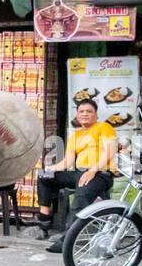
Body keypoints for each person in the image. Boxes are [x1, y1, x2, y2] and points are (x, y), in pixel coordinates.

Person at [32, 98, 117, 253]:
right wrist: (49, 168)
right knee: (44, 175)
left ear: (96, 115)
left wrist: (93, 170)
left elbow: (110, 152)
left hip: (100, 174)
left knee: (80, 194)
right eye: (81, 111)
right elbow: (67, 162)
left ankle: (68, 239)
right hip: (79, 173)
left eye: (89, 111)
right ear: (77, 115)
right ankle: (44, 221)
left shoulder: (104, 127)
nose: (85, 114)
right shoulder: (76, 135)